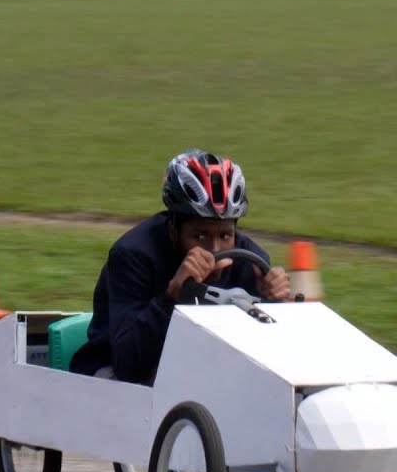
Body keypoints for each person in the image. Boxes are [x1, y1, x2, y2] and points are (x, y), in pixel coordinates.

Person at [69, 149, 291, 383]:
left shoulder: (251, 261)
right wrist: (171, 297)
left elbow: (269, 357)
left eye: (225, 235)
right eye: (200, 236)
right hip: (114, 373)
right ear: (173, 230)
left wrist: (274, 304)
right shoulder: (133, 256)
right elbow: (129, 365)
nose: (215, 250)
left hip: (201, 370)